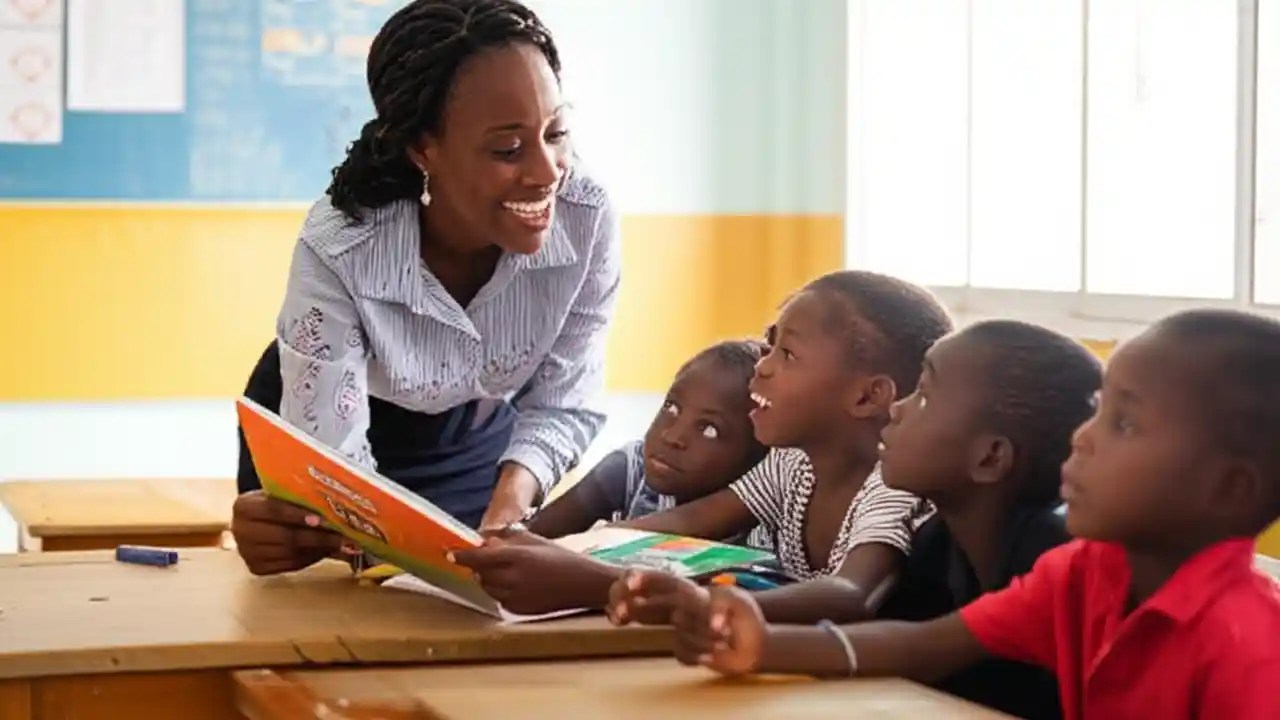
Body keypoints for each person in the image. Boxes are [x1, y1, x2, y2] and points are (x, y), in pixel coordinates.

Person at [658, 309, 1280, 720]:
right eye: (1098, 412)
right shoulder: (1081, 575)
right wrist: (765, 647)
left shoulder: (1248, 646)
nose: (1084, 438)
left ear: (1228, 489)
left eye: (1123, 423)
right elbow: (926, 645)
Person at [231, 0, 621, 577]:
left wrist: (508, 512)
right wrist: (350, 531)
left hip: (477, 434)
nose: (546, 171)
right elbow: (338, 461)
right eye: (507, 149)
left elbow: (565, 396)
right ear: (423, 148)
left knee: (466, 601)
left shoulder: (585, 216)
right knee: (335, 607)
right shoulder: (342, 245)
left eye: (557, 132)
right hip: (335, 422)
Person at [613, 320, 1099, 719]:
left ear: (990, 458)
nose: (900, 410)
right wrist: (754, 639)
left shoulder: (1053, 558)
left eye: (924, 397)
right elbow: (911, 645)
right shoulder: (935, 547)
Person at [451, 271, 949, 618]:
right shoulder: (792, 466)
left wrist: (599, 582)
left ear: (867, 396)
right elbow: (682, 525)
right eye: (769, 343)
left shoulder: (892, 488)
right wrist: (557, 549)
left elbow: (851, 598)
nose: (763, 365)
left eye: (788, 353)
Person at [527, 340, 769, 540]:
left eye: (709, 430)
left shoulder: (766, 526)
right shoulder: (630, 468)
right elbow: (536, 538)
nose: (672, 436)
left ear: (759, 457)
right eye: (671, 408)